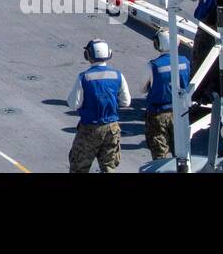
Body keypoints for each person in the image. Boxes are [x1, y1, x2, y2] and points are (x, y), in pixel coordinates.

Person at [68, 39, 131, 172]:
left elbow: (73, 103)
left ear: (88, 55)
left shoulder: (84, 77)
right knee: (109, 167)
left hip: (89, 128)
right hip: (112, 128)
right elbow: (126, 102)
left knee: (79, 167)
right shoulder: (118, 75)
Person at [142, 29, 189, 160]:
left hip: (158, 114)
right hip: (180, 112)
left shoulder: (153, 65)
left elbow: (142, 88)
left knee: (159, 155)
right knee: (181, 154)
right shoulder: (185, 62)